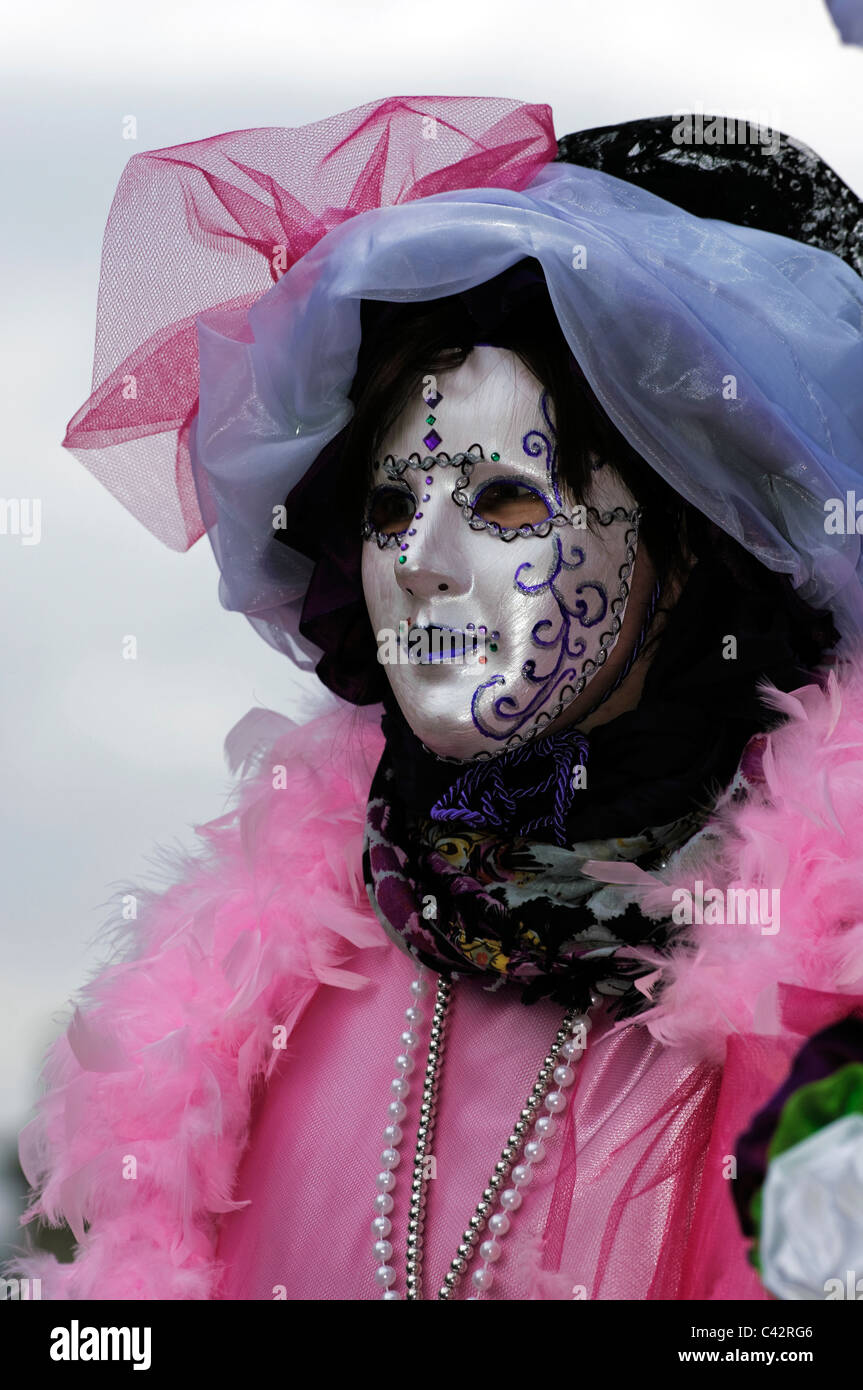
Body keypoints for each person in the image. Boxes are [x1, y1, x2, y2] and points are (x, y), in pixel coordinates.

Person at [10, 95, 863, 1302]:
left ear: (689, 554)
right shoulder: (265, 993)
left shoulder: (827, 991)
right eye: (386, 508)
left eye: (507, 500)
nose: (418, 559)